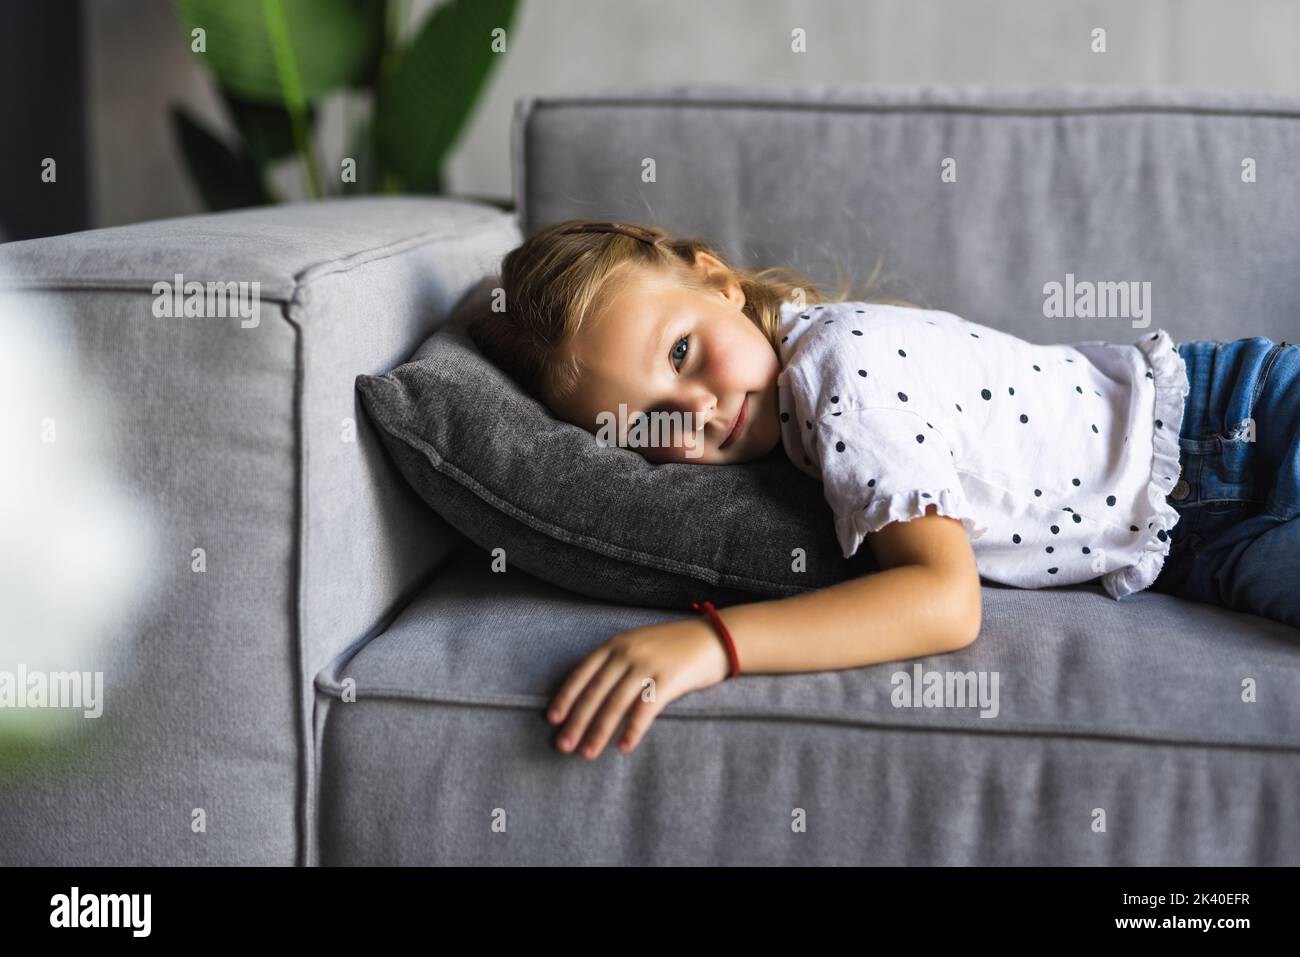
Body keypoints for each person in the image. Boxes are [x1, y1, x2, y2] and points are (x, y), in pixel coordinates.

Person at [469, 219, 1300, 761]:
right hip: (1189, 538)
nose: (695, 410)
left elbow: (944, 600)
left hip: (1240, 430)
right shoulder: (791, 379)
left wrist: (709, 646)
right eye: (647, 421)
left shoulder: (843, 375)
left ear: (717, 282)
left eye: (682, 353)